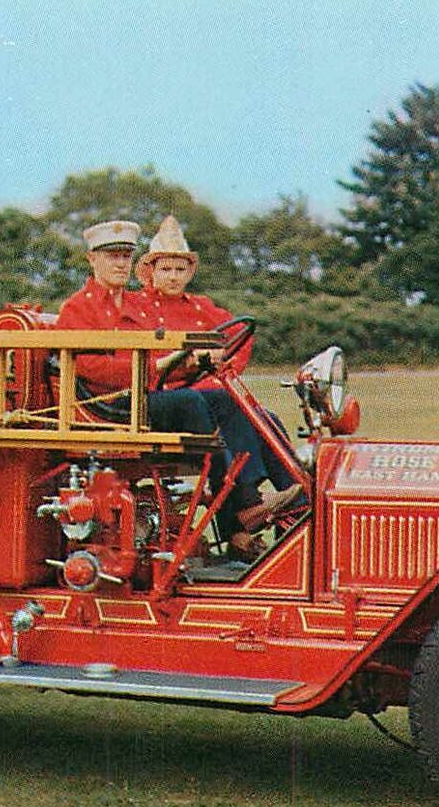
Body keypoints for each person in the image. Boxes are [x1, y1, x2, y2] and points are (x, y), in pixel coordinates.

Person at [55, 220, 299, 559]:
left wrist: (187, 364)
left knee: (228, 402)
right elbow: (88, 366)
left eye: (126, 256)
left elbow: (162, 352)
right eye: (112, 256)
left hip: (147, 393)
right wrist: (153, 368)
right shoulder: (78, 308)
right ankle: (244, 508)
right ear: (92, 260)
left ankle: (286, 503)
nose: (121, 263)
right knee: (190, 402)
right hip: (107, 402)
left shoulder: (133, 303)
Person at [136, 215, 299, 499]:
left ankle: (298, 497)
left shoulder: (201, 307)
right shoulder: (140, 308)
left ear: (190, 273)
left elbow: (239, 334)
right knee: (232, 413)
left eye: (179, 269)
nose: (173, 276)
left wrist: (222, 363)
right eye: (165, 269)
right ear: (151, 271)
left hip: (208, 396)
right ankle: (245, 497)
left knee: (264, 419)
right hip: (171, 400)